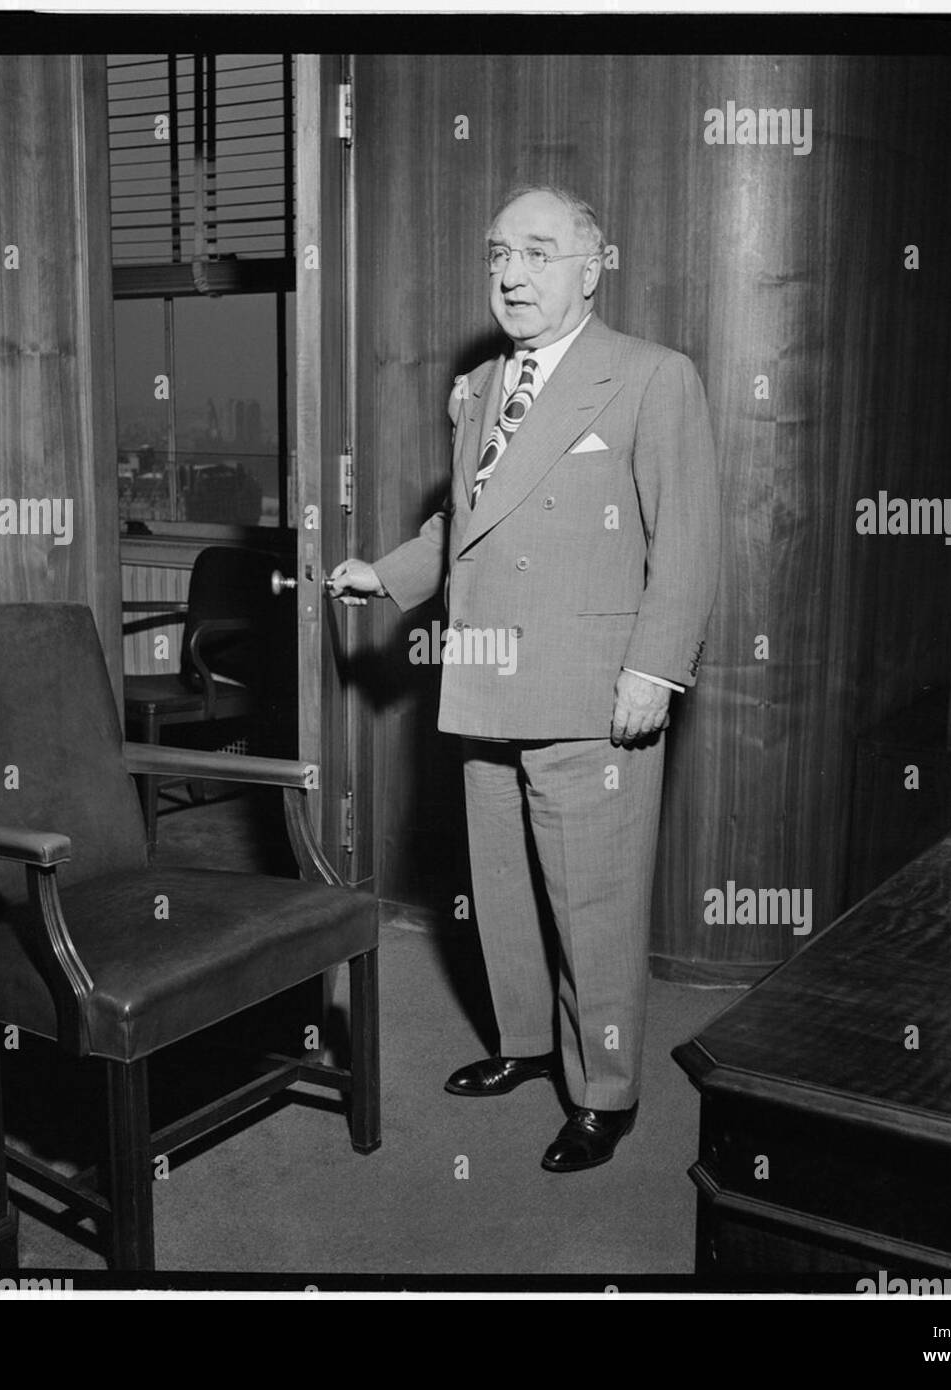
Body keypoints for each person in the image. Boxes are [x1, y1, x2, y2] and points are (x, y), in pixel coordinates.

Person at [330, 185, 720, 1171]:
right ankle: (523, 1043)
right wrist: (389, 574)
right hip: (484, 679)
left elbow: (689, 543)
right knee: (498, 886)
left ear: (593, 267)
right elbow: (465, 522)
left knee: (593, 901)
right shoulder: (480, 387)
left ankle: (605, 1090)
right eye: (500, 252)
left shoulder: (650, 377)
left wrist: (655, 672)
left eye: (539, 253)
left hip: (593, 691)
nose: (510, 273)